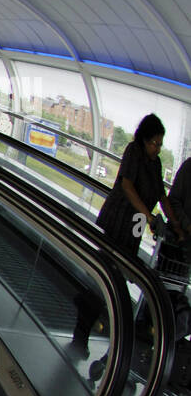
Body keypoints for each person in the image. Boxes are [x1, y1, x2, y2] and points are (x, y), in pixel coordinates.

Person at [71, 114, 184, 355]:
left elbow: (161, 195)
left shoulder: (155, 163)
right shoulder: (134, 152)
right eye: (154, 143)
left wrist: (174, 222)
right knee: (104, 273)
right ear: (144, 139)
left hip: (134, 225)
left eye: (160, 144)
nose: (157, 148)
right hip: (118, 221)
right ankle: (81, 332)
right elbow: (127, 186)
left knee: (116, 274)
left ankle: (89, 326)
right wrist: (149, 216)